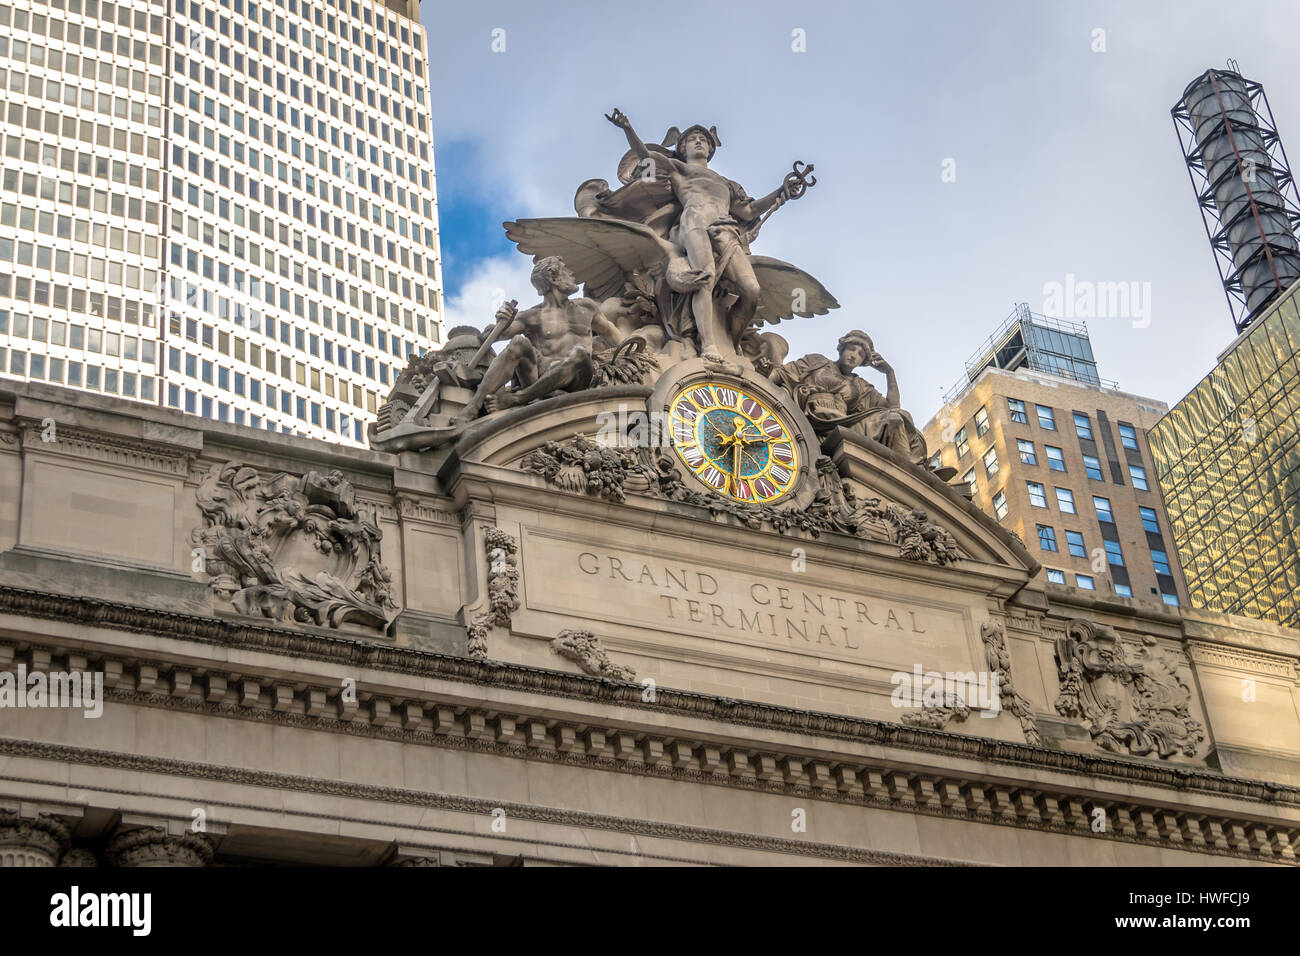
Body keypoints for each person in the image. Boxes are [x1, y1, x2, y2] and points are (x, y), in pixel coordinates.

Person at [605, 108, 789, 361]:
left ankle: (731, 343)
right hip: (694, 221)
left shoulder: (726, 183)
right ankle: (708, 345)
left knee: (751, 289)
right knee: (704, 276)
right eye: (693, 139)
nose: (699, 142)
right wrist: (628, 128)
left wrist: (781, 190)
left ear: (711, 150)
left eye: (703, 139)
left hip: (726, 229)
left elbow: (748, 210)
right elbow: (645, 156)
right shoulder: (678, 168)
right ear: (682, 147)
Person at [457, 257, 624, 421]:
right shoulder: (532, 316)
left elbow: (611, 333)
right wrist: (503, 320)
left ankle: (517, 399)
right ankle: (473, 407)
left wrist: (637, 352)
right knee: (518, 342)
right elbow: (488, 337)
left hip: (579, 379)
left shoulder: (587, 307)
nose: (572, 274)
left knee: (580, 353)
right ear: (553, 277)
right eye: (566, 269)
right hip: (540, 379)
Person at [774, 330, 929, 465]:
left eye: (860, 354)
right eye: (851, 349)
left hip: (844, 426)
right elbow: (783, 373)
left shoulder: (860, 386)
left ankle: (909, 472)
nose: (854, 356)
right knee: (896, 418)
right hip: (814, 418)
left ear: (863, 362)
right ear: (842, 349)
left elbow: (893, 408)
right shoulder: (817, 361)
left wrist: (890, 374)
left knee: (898, 418)